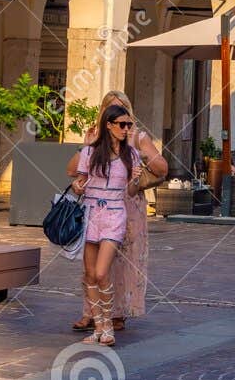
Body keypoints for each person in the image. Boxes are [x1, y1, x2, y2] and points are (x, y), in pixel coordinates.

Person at [69, 91, 165, 335]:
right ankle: (92, 314)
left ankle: (117, 314)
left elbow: (162, 168)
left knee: (121, 264)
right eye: (111, 108)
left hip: (125, 208)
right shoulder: (96, 139)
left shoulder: (135, 138)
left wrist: (138, 156)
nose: (120, 116)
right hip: (95, 210)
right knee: (92, 269)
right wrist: (88, 145)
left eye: (122, 109)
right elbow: (74, 171)